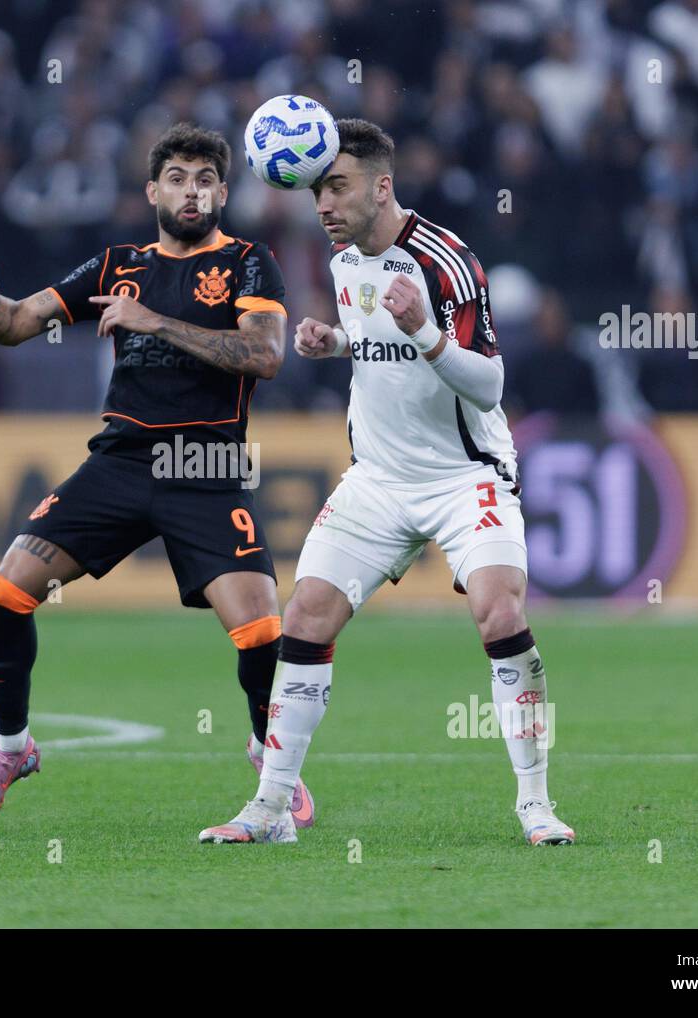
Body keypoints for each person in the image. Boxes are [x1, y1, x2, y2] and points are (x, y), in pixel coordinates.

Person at [200, 120, 573, 846]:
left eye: (337, 187)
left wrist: (430, 332)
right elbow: (375, 343)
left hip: (466, 477)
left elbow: (491, 383)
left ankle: (535, 803)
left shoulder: (447, 263)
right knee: (305, 619)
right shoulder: (344, 262)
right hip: (378, 477)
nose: (324, 205)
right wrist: (332, 341)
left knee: (500, 615)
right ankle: (271, 808)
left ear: (381, 185)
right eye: (316, 191)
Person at [0, 123, 314, 828]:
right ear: (153, 190)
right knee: (7, 591)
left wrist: (153, 321)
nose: (191, 190)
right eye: (177, 177)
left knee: (263, 631)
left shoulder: (247, 261)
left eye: (205, 179)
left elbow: (265, 356)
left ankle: (274, 761)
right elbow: (18, 322)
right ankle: (11, 748)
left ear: (222, 192)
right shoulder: (117, 262)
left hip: (206, 465)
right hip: (121, 460)